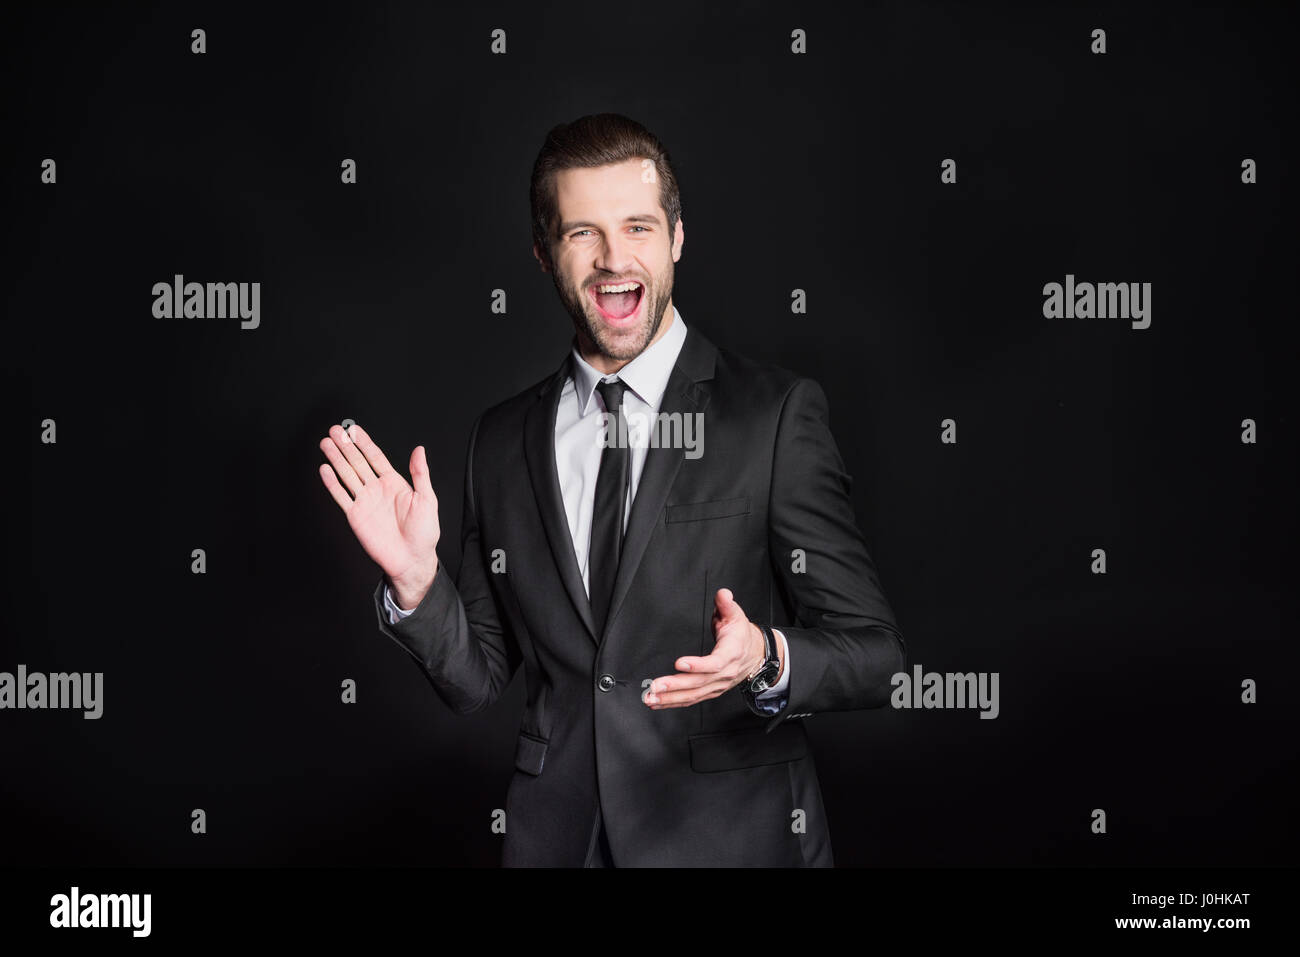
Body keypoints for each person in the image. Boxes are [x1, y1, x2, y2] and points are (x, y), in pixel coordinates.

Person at [317, 113, 905, 867]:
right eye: (580, 233)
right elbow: (476, 679)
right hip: (557, 842)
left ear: (677, 238)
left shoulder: (773, 415)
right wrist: (415, 582)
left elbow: (878, 655)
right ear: (543, 254)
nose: (612, 257)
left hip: (734, 842)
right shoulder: (500, 442)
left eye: (637, 226)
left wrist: (765, 657)